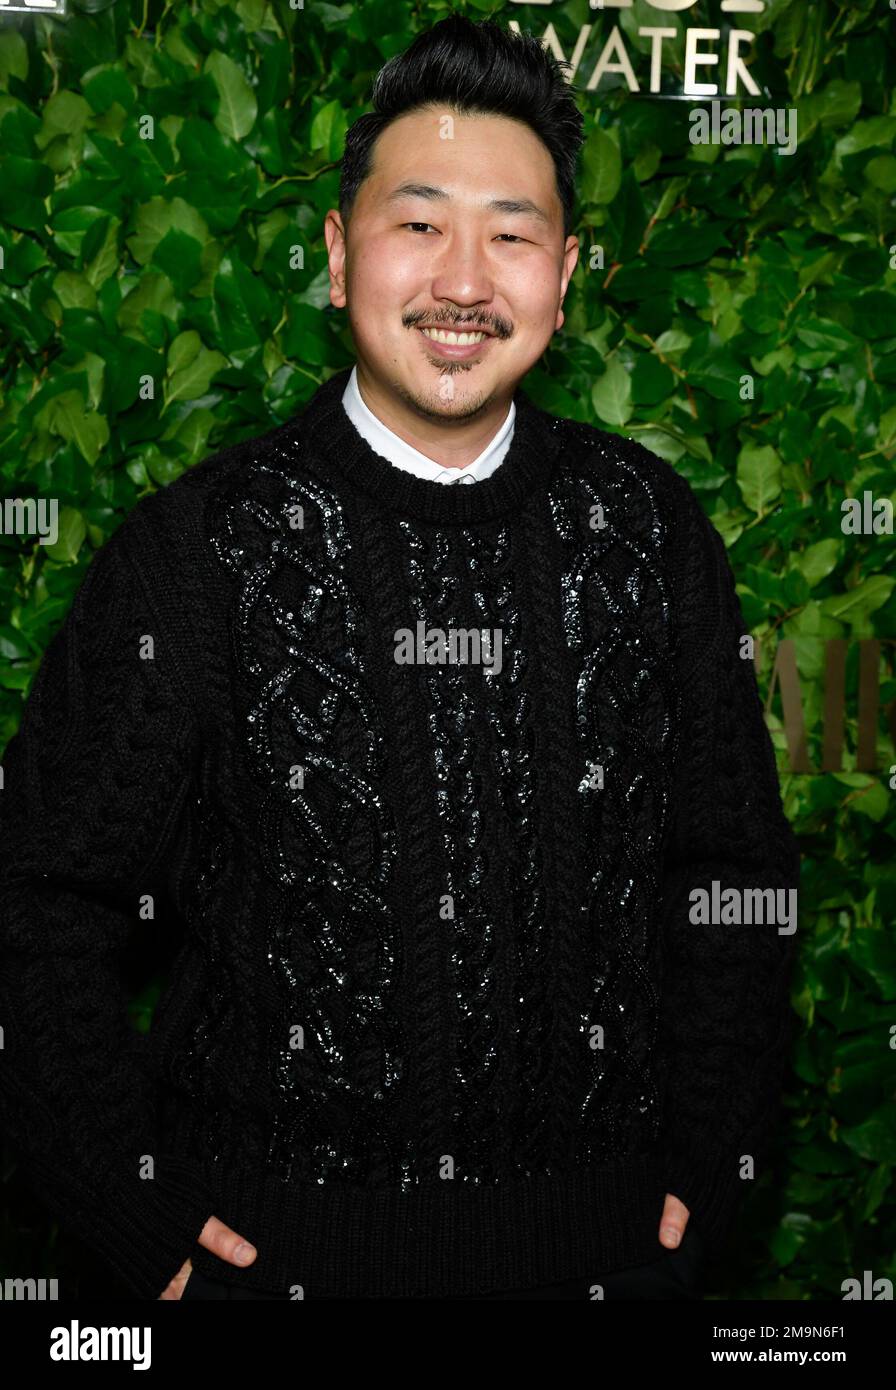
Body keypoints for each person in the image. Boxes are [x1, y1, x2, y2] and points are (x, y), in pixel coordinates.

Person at [0, 16, 800, 1302]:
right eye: (418, 222)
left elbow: (732, 880)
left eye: (512, 231)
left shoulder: (649, 533)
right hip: (278, 1276)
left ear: (567, 271)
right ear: (335, 254)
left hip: (598, 1272)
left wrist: (713, 1166)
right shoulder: (198, 550)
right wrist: (134, 1213)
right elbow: (38, 898)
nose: (465, 279)